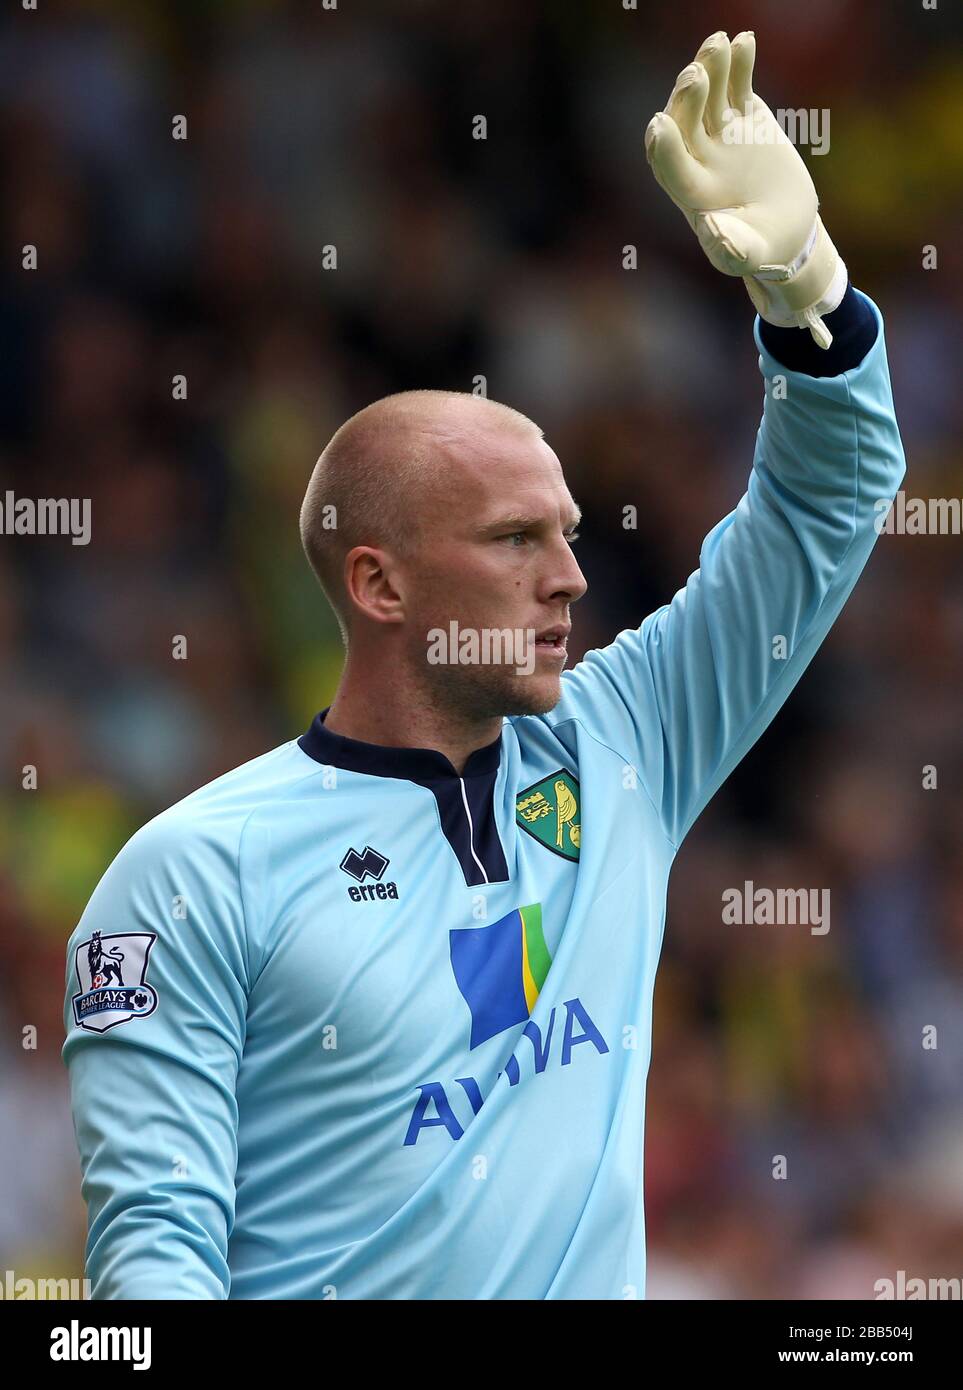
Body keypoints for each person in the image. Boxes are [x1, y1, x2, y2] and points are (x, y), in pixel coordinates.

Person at [63, 31, 906, 1299]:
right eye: (516, 539)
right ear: (379, 583)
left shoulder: (625, 745)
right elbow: (150, 1263)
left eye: (567, 533)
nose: (569, 575)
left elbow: (819, 519)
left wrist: (808, 291)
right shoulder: (193, 874)